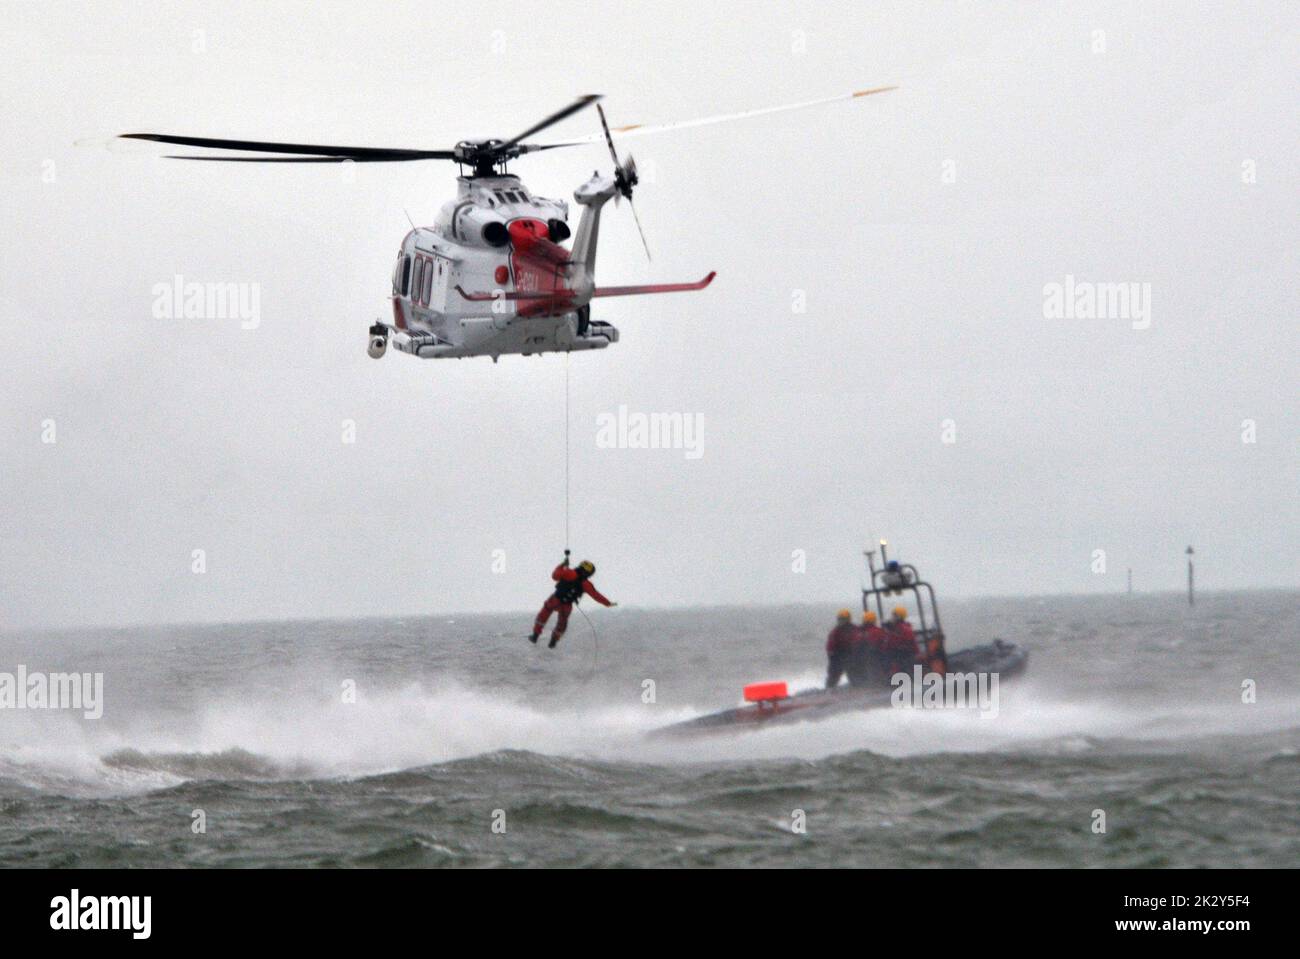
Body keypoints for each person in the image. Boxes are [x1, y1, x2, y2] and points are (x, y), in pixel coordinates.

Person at [529, 556, 615, 648]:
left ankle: (535, 635)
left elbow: (555, 576)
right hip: (567, 605)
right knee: (562, 623)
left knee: (543, 615)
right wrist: (608, 603)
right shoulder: (586, 584)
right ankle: (553, 641)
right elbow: (596, 595)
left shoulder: (569, 573)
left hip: (555, 599)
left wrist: (561, 565)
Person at [850, 609, 893, 686]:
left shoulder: (858, 632)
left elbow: (854, 644)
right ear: (874, 620)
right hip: (875, 657)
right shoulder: (878, 631)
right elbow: (886, 644)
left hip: (860, 659)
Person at [825, 609, 857, 689]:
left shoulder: (854, 629)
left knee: (855, 678)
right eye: (840, 619)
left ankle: (857, 689)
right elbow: (830, 647)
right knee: (832, 679)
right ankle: (829, 690)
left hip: (851, 657)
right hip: (838, 658)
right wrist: (832, 657)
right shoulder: (835, 631)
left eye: (843, 619)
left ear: (848, 619)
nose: (841, 621)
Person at [883, 605, 918, 675]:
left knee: (888, 661)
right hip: (898, 653)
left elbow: (907, 642)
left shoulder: (903, 628)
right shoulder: (894, 627)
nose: (892, 618)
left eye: (894, 616)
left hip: (903, 654)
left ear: (899, 617)